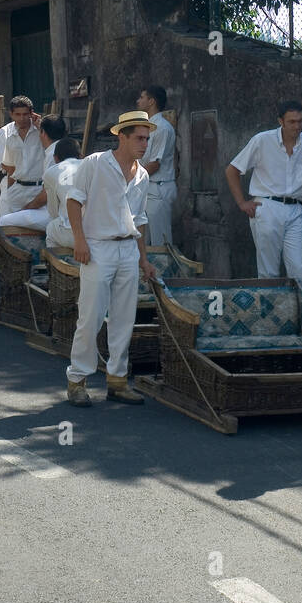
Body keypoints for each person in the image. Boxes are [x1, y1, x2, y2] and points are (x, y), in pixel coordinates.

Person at [64, 111, 158, 407]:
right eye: (139, 138)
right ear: (123, 136)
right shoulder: (94, 163)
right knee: (90, 317)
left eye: (147, 138)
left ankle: (117, 380)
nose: (144, 144)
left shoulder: (142, 174)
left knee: (123, 318)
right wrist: (80, 240)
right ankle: (77, 379)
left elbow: (139, 219)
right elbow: (73, 200)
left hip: (127, 248)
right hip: (98, 247)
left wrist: (144, 259)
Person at [225, 100, 302, 293]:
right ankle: (269, 319)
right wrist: (242, 203)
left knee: (299, 270)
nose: (297, 126)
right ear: (281, 121)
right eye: (292, 122)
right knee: (268, 273)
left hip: (296, 209)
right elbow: (232, 170)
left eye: (300, 121)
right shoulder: (262, 140)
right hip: (266, 206)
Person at [0, 115, 66, 230]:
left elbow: (45, 196)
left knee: (4, 221)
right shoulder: (65, 148)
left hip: (55, 216)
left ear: (42, 133)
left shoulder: (52, 155)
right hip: (66, 211)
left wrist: (26, 209)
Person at [137, 86, 177, 247]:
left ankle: (166, 273)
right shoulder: (146, 126)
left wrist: (130, 179)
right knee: (144, 243)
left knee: (160, 243)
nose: (138, 101)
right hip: (146, 188)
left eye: (142, 97)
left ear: (151, 101)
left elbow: (155, 164)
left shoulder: (161, 128)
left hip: (158, 189)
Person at [0, 96, 45, 217]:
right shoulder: (7, 134)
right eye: (17, 114)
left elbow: (54, 147)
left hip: (39, 189)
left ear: (31, 113)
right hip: (17, 189)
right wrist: (11, 189)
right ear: (11, 114)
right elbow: (7, 166)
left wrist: (42, 128)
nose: (22, 118)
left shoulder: (42, 131)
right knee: (9, 227)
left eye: (25, 114)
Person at [43, 138, 84, 249]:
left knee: (51, 227)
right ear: (80, 155)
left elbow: (53, 212)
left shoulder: (50, 172)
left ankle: (54, 265)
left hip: (73, 234)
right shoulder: (90, 166)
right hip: (99, 232)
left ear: (55, 158)